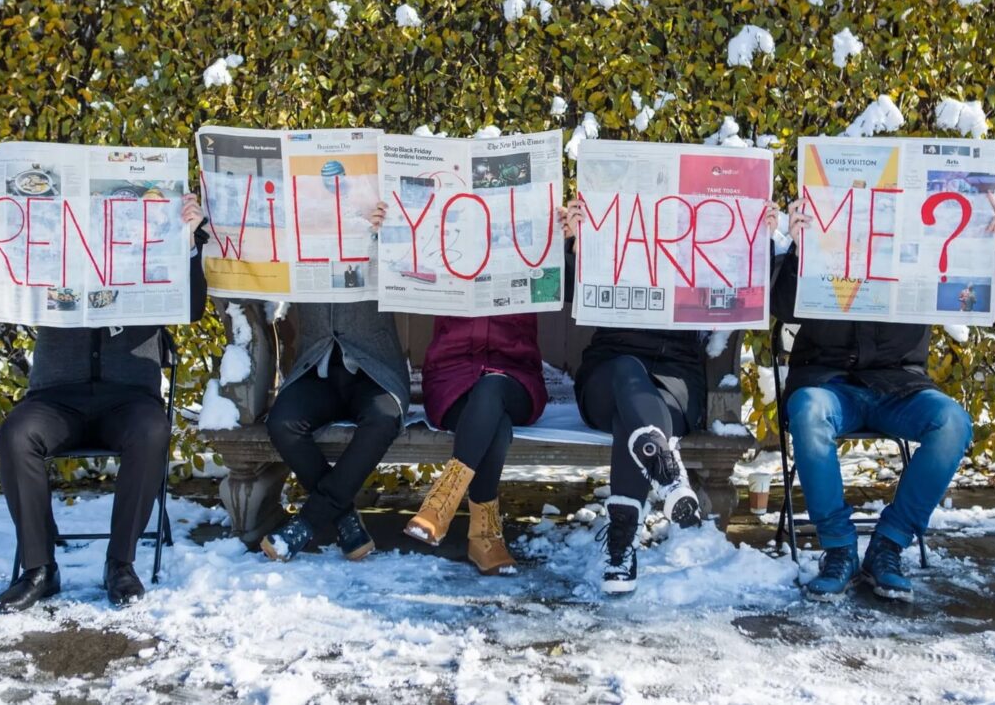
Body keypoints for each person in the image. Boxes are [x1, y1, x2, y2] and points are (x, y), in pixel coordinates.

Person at [0, 189, 208, 612]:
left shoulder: (154, 246)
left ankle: (121, 564)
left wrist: (187, 241)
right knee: (16, 434)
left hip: (130, 399)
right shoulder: (50, 245)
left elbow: (191, 308)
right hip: (56, 398)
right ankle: (39, 569)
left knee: (152, 430)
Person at [773, 193, 995, 602]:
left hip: (898, 386)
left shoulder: (923, 245)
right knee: (807, 408)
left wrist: (989, 255)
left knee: (952, 422)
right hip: (829, 383)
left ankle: (889, 545)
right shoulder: (821, 240)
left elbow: (983, 305)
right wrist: (799, 249)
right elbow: (782, 306)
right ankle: (839, 550)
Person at [562, 199, 782, 594]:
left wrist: (758, 239)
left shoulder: (698, 246)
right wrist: (575, 245)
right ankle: (665, 476)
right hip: (608, 374)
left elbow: (746, 292)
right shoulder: (614, 231)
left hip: (674, 383)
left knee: (634, 425)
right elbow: (561, 292)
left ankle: (624, 539)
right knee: (628, 372)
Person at [259, 212, 410, 563]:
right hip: (318, 366)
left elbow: (414, 266)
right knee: (282, 422)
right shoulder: (297, 212)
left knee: (384, 418)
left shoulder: (382, 214)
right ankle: (344, 518)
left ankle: (309, 522)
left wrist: (386, 232)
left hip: (374, 368)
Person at [404, 311, 548, 575]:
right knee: (497, 424)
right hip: (451, 375)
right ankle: (485, 536)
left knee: (492, 386)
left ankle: (441, 503)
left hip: (515, 374)